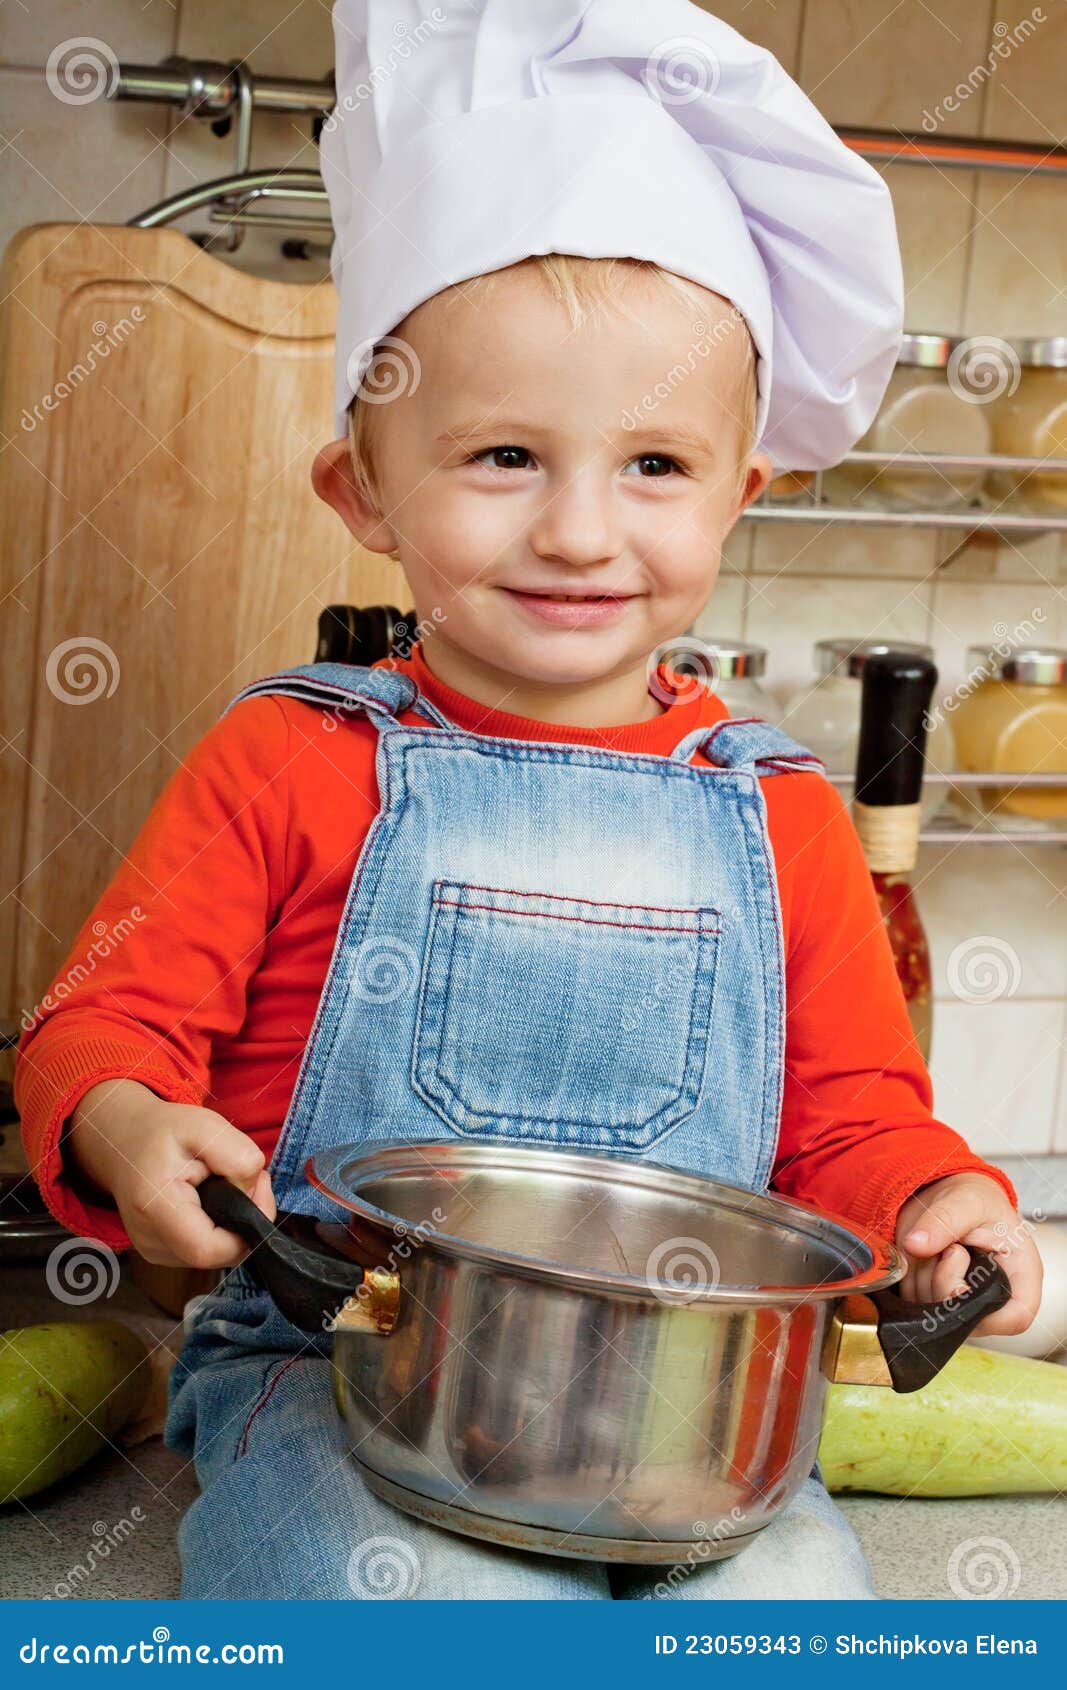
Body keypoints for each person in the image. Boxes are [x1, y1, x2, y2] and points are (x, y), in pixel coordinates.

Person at [15, 1, 1040, 1601]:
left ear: (740, 491)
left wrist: (931, 1194)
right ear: (364, 493)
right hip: (336, 1373)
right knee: (419, 1602)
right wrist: (126, 1116)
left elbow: (845, 1112)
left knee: (802, 1608)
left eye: (653, 466)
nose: (579, 530)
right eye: (502, 454)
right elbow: (101, 1022)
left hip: (684, 1421)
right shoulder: (288, 760)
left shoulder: (777, 814)